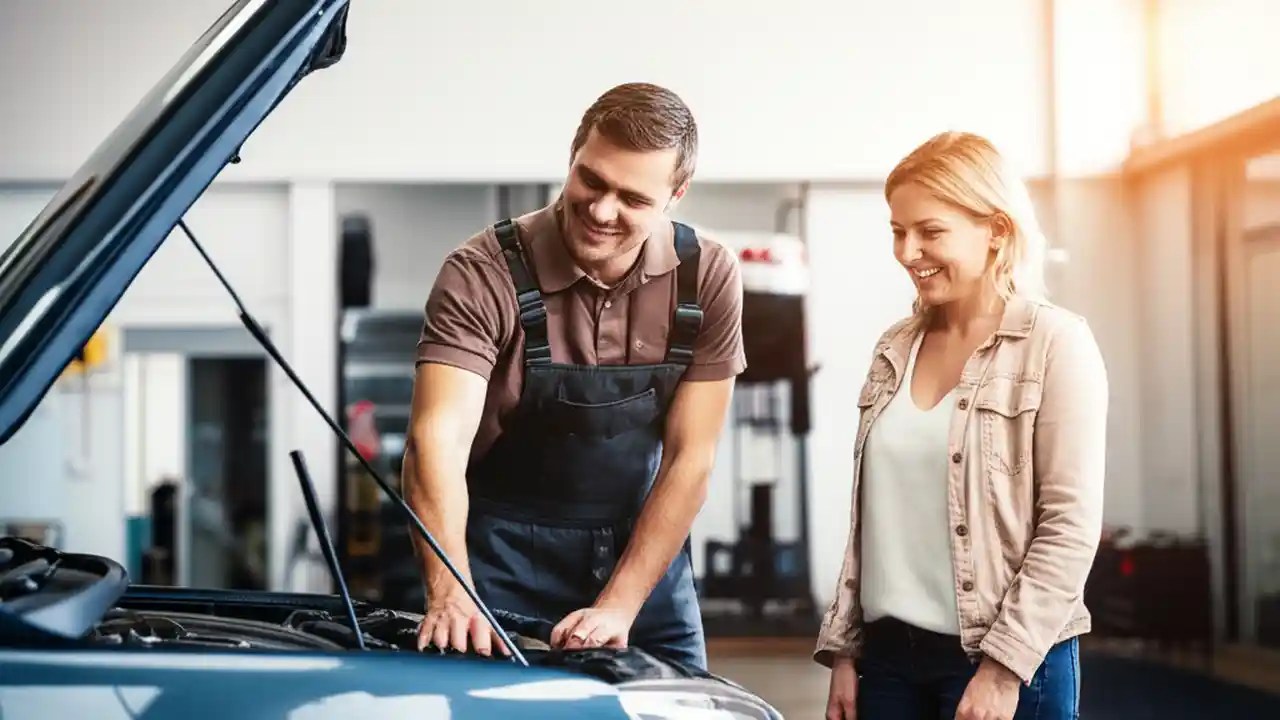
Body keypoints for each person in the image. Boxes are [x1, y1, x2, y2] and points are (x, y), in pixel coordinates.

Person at [401, 82, 746, 671]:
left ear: (676, 194)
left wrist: (620, 604)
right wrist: (451, 591)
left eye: (632, 198)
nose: (602, 211)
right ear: (572, 157)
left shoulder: (706, 277)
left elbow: (691, 459)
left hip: (643, 554)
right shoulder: (481, 273)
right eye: (591, 180)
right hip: (497, 558)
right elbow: (436, 440)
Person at [815, 131, 1108, 720]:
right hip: (888, 660)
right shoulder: (895, 347)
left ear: (996, 229)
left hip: (1005, 659)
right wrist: (846, 649)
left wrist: (1003, 669)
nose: (908, 251)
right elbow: (870, 519)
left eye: (930, 231)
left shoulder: (1055, 343)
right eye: (898, 231)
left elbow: (1069, 526)